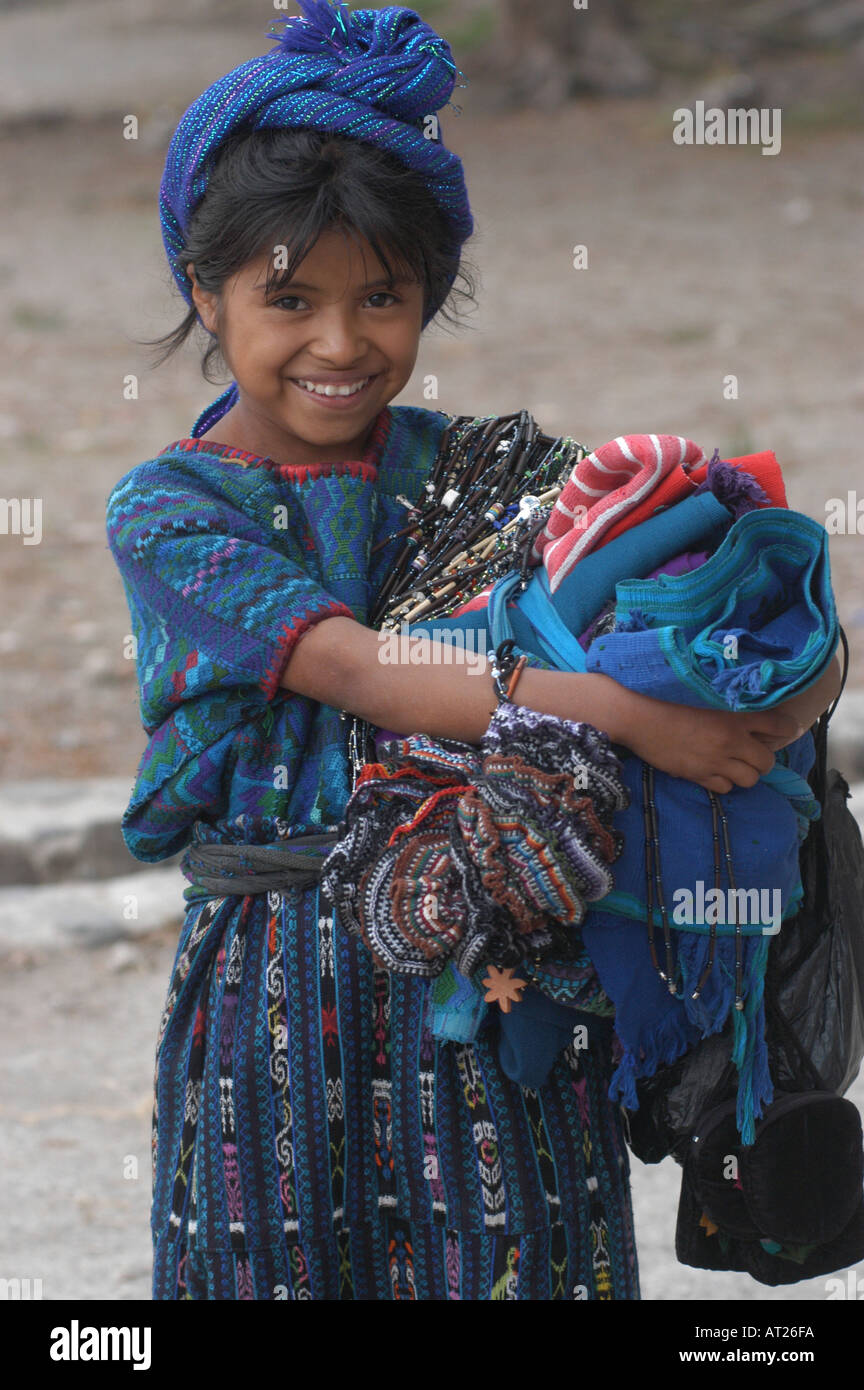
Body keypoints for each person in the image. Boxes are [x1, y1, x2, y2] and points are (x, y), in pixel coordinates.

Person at [106, 0, 840, 1300]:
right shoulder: (172, 512)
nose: (340, 343)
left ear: (428, 292)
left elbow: (717, 569)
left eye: (381, 296)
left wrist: (777, 689)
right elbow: (359, 666)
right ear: (201, 289)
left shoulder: (503, 475)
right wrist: (630, 713)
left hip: (504, 995)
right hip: (276, 1011)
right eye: (290, 298)